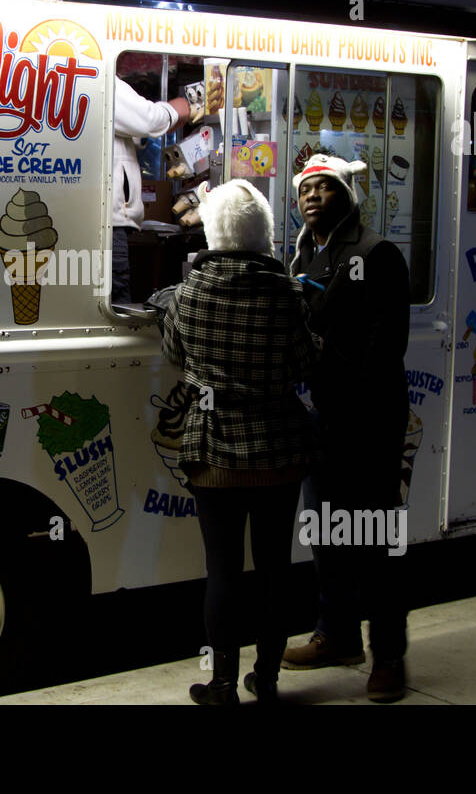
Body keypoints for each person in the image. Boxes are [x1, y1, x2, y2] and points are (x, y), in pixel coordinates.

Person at [158, 178, 319, 704]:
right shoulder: (290, 295)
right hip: (279, 451)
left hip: (214, 453)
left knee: (222, 569)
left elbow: (176, 356)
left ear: (213, 230)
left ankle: (223, 682)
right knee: (275, 568)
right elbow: (304, 363)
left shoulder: (188, 295)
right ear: (265, 235)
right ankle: (267, 679)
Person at [282, 153, 411, 703]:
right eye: (305, 190)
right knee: (328, 535)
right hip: (322, 420)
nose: (311, 197)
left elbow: (388, 347)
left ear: (348, 194)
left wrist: (326, 365)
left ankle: (389, 659)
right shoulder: (302, 252)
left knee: (377, 542)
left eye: (325, 189)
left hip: (369, 421)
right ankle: (336, 636)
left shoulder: (376, 252)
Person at [111, 78, 191, 303]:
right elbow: (146, 119)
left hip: (105, 221)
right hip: (110, 223)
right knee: (115, 299)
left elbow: (131, 129)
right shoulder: (97, 71)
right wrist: (174, 110)